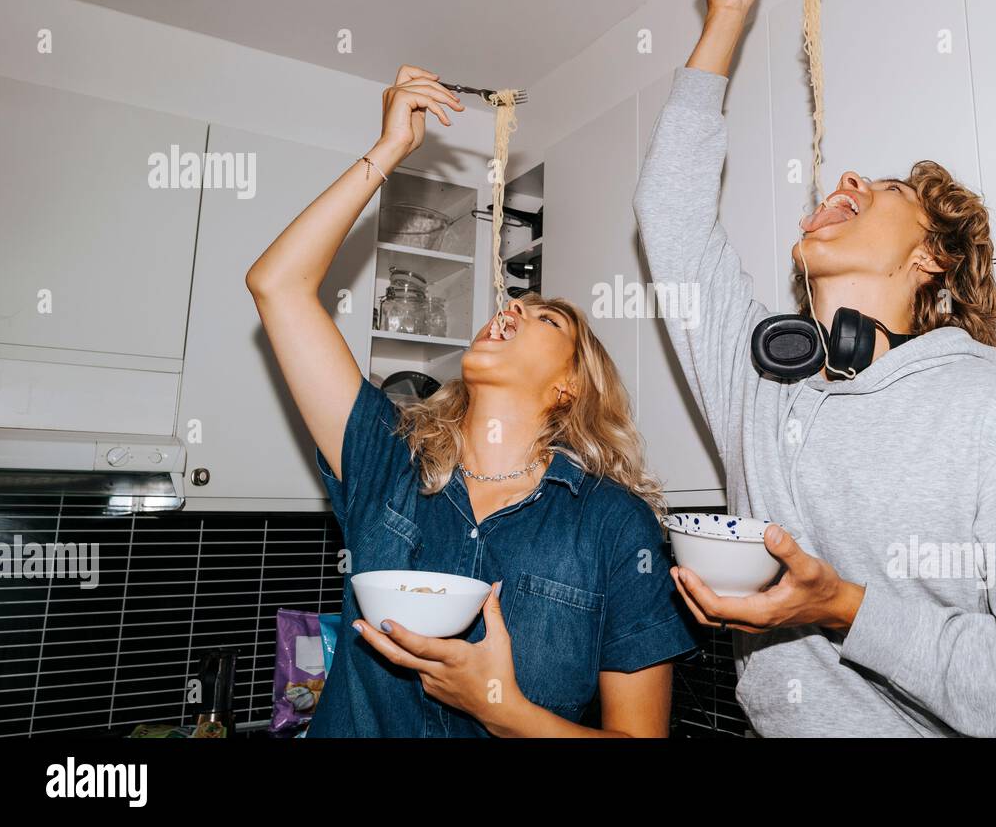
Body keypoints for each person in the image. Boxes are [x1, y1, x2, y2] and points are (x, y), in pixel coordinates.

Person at [632, 0, 996, 736]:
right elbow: (669, 213)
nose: (844, 181)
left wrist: (845, 609)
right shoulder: (762, 380)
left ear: (931, 258)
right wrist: (723, 18)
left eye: (881, 187)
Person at [247, 63, 696, 737]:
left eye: (546, 319)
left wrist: (499, 709)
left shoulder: (610, 525)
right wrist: (388, 151)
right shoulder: (384, 457)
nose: (512, 309)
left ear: (569, 386)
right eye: (515, 302)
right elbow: (277, 284)